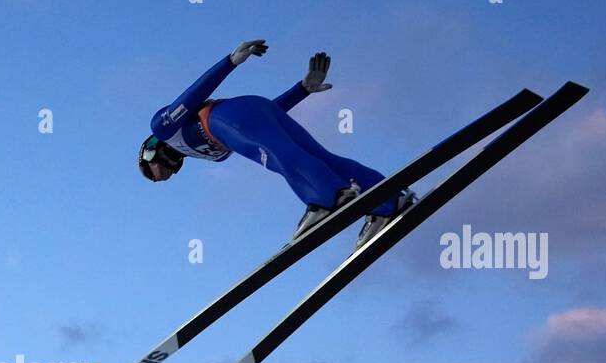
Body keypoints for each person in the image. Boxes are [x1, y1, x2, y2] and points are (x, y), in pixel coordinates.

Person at [139, 39, 416, 249]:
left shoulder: (163, 128)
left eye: (153, 171)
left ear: (151, 152)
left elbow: (193, 94)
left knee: (280, 157)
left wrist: (231, 61)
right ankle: (389, 202)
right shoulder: (210, 156)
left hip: (225, 116)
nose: (166, 173)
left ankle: (326, 199)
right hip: (254, 111)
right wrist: (302, 90)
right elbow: (262, 121)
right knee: (317, 155)